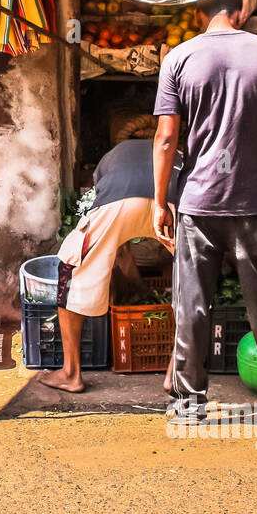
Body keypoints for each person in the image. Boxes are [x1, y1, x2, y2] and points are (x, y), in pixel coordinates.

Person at [152, 0, 257, 425]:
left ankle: (189, 406)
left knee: (192, 303)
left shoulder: (178, 58)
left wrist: (159, 201)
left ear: (200, 13)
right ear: (241, 13)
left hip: (197, 202)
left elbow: (166, 137)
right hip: (255, 202)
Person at [38, 136, 177, 393]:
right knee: (193, 279)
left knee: (71, 267)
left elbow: (118, 246)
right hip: (172, 202)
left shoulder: (109, 160)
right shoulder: (176, 153)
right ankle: (177, 374)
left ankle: (70, 373)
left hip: (119, 202)